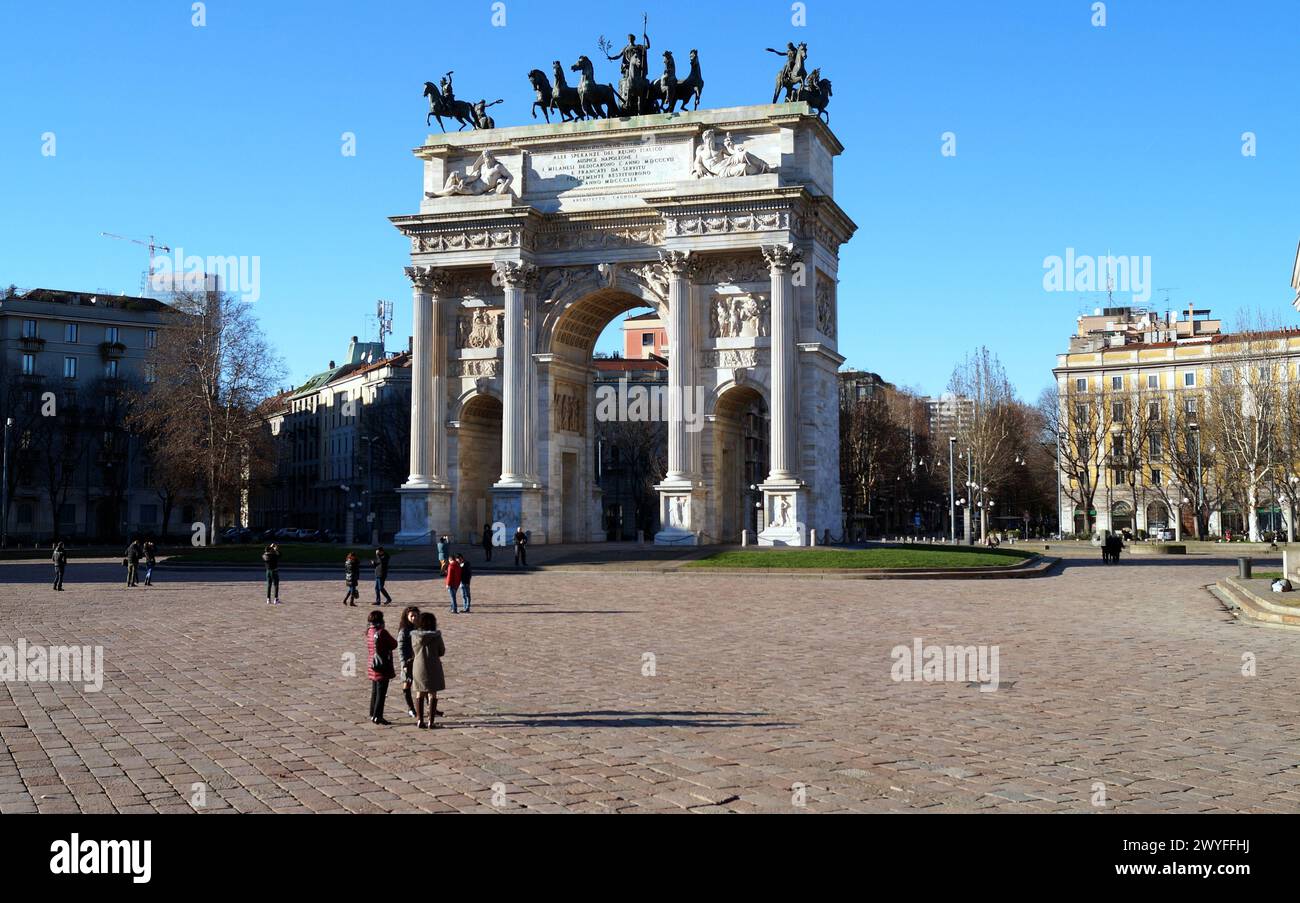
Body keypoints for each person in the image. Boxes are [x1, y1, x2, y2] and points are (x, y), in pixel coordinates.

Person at [411, 612, 446, 729]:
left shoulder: (414, 636)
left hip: (419, 666)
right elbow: (441, 651)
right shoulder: (436, 636)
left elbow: (413, 650)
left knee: (419, 692)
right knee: (432, 693)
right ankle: (431, 721)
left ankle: (419, 720)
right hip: (433, 666)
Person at [366, 610, 397, 725]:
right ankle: (378, 716)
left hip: (372, 663)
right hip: (382, 665)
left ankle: (372, 713)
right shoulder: (382, 632)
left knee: (375, 691)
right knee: (381, 692)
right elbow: (394, 644)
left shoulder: (369, 631)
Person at [396, 606, 421, 719]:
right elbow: (400, 648)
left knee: (422, 685)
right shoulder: (404, 631)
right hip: (408, 662)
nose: (414, 618)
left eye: (416, 615)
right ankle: (411, 708)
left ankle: (430, 707)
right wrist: (404, 663)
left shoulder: (420, 628)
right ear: (407, 617)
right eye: (412, 616)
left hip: (419, 661)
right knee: (407, 683)